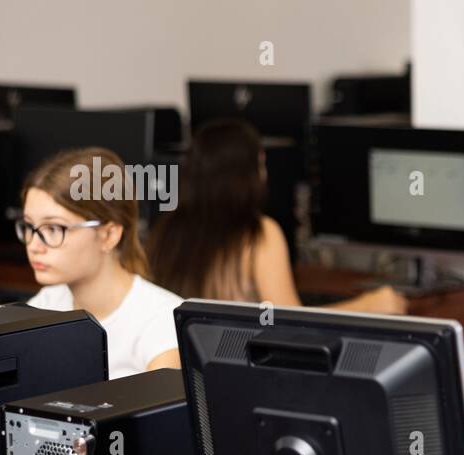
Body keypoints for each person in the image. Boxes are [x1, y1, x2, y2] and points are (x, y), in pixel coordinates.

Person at [148, 119, 405, 313]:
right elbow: (291, 325)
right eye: (261, 165)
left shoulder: (165, 230)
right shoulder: (259, 234)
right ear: (248, 175)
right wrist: (370, 305)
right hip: (238, 371)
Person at [21, 147, 181, 379]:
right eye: (28, 227)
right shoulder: (46, 304)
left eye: (54, 228)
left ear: (108, 235)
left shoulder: (163, 320)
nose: (34, 245)